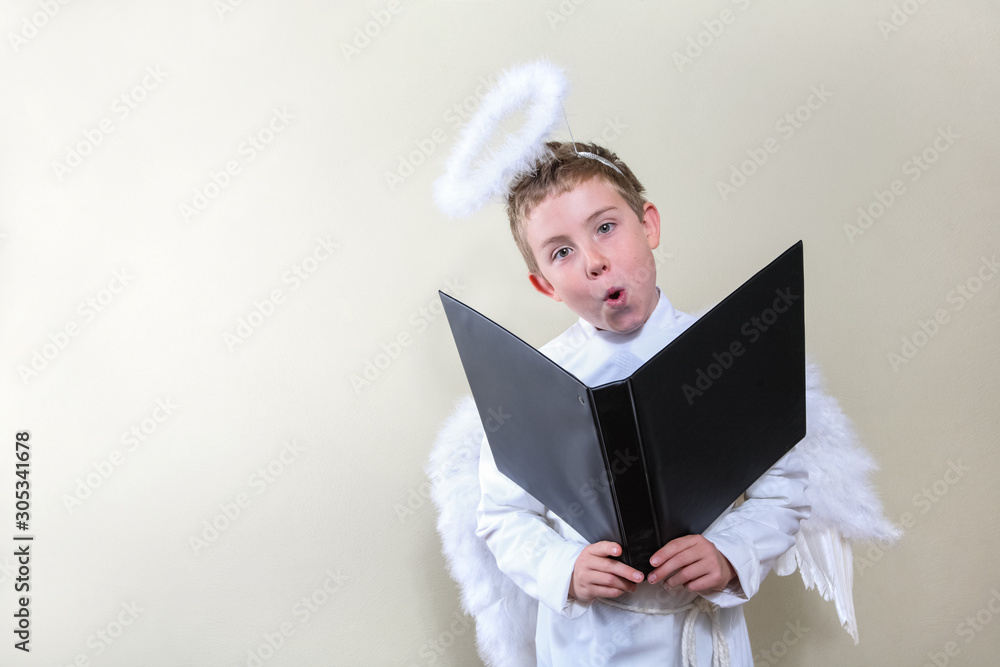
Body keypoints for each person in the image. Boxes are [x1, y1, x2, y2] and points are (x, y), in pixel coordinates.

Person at [474, 141, 810, 666]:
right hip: (586, 645)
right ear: (544, 285)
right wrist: (565, 568)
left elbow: (783, 493)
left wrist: (728, 555)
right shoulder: (530, 383)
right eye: (561, 252)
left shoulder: (729, 350)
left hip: (697, 636)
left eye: (605, 227)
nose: (594, 261)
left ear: (648, 226)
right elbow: (502, 516)